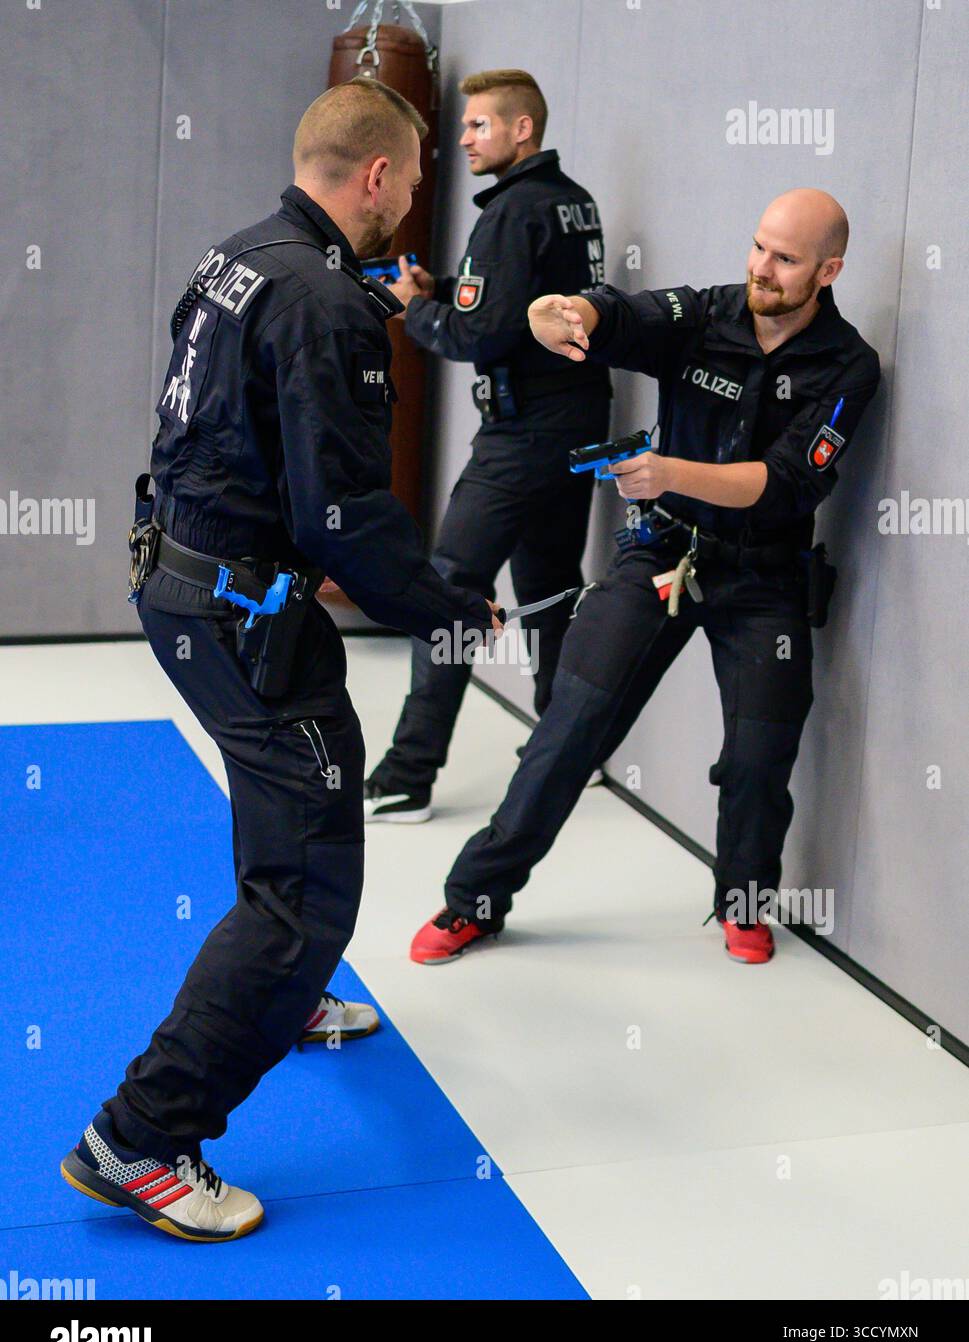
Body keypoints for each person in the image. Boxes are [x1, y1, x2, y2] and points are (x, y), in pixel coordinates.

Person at [60, 77, 501, 1242]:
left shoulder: (240, 256)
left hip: (187, 583)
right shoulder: (327, 299)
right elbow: (346, 515)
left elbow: (233, 444)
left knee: (302, 785)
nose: (410, 199)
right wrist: (449, 603)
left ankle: (285, 1000)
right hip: (242, 615)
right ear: (374, 176)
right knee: (307, 882)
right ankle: (143, 1137)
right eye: (409, 179)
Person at [409, 189, 880, 967]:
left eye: (785, 258)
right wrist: (566, 313)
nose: (762, 267)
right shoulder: (701, 315)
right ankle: (473, 903)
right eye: (758, 246)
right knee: (566, 734)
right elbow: (620, 315)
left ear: (827, 270)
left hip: (764, 577)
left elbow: (789, 483)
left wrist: (669, 473)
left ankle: (744, 903)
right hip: (660, 556)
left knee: (759, 762)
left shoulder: (848, 367)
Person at [363, 69, 611, 824]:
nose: (463, 139)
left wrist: (415, 311)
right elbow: (514, 303)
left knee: (449, 588)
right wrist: (443, 287)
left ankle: (407, 775)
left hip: (520, 432)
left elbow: (483, 333)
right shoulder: (573, 203)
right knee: (547, 587)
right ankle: (570, 746)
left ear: (521, 131)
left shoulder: (510, 214)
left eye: (478, 126)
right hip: (576, 422)